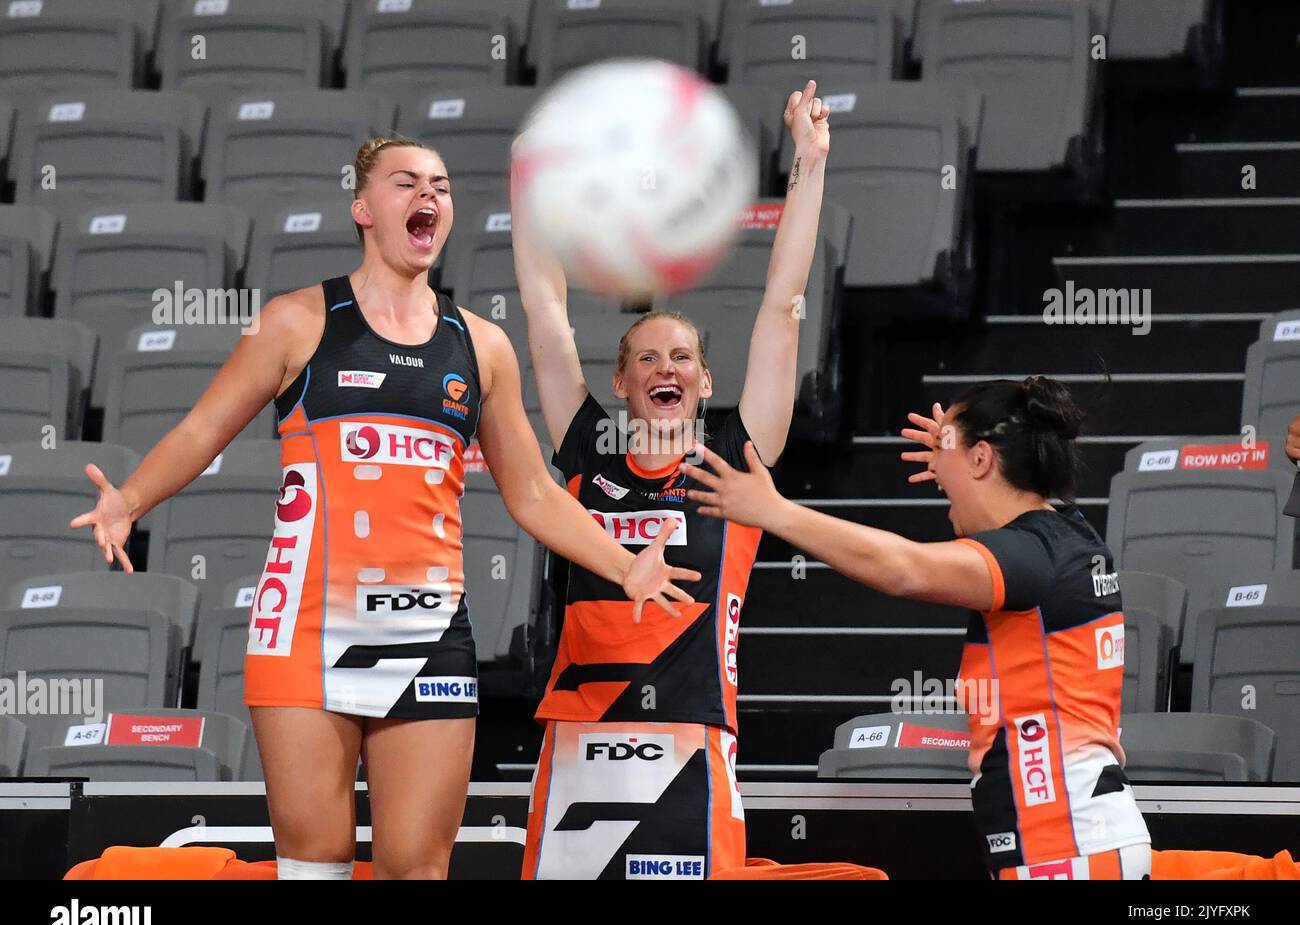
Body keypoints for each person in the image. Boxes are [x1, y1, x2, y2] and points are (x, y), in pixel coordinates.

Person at [70, 136, 700, 880]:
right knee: (317, 867)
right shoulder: (298, 321)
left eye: (439, 183)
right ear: (364, 209)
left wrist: (624, 566)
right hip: (303, 629)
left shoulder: (482, 346)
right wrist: (129, 498)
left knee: (416, 870)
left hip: (430, 635)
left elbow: (530, 491)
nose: (427, 195)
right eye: (406, 182)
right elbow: (202, 431)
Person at [513, 81, 830, 879]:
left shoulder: (736, 453)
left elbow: (783, 307)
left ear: (704, 378)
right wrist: (530, 175)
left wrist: (811, 165)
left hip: (692, 732)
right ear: (620, 382)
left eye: (681, 356)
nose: (665, 367)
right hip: (577, 731)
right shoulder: (588, 445)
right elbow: (546, 313)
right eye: (646, 357)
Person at [680, 377, 1153, 880]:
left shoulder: (1033, 557)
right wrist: (961, 456)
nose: (933, 462)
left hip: (1068, 845)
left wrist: (776, 512)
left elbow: (904, 569)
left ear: (983, 459)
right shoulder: (1069, 536)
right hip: (1082, 839)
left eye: (947, 445)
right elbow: (998, 488)